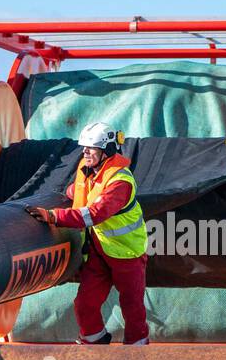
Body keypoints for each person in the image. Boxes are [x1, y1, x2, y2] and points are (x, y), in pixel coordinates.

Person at [26, 121, 149, 345]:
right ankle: (94, 342)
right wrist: (67, 194)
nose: (85, 151)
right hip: (99, 251)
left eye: (91, 147)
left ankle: (137, 351)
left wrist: (54, 216)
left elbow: (95, 214)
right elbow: (77, 191)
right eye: (84, 146)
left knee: (132, 307)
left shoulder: (120, 182)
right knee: (84, 304)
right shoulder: (88, 170)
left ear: (107, 150)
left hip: (127, 254)